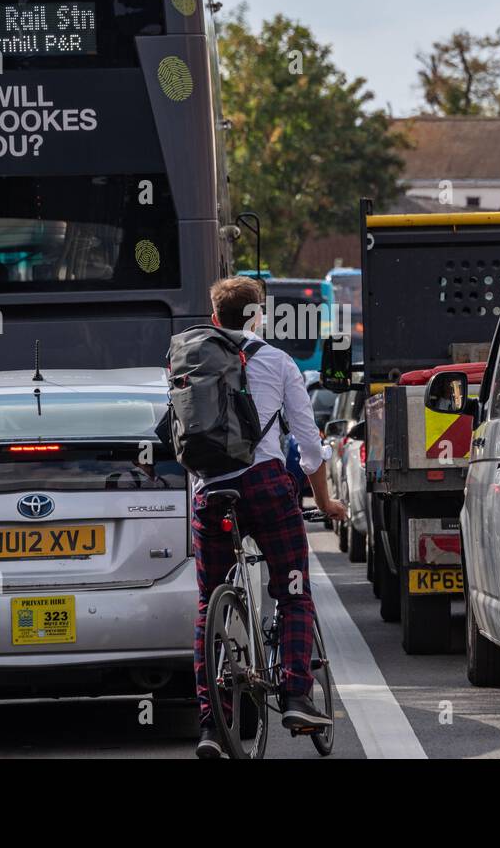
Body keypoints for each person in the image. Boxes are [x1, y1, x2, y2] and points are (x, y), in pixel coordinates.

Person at [188, 277, 347, 759]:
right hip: (265, 485)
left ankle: (214, 725)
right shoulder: (278, 363)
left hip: (210, 494)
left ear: (215, 318)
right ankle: (297, 693)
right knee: (293, 589)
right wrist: (324, 500)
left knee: (205, 606)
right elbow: (311, 448)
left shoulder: (187, 362)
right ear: (258, 317)